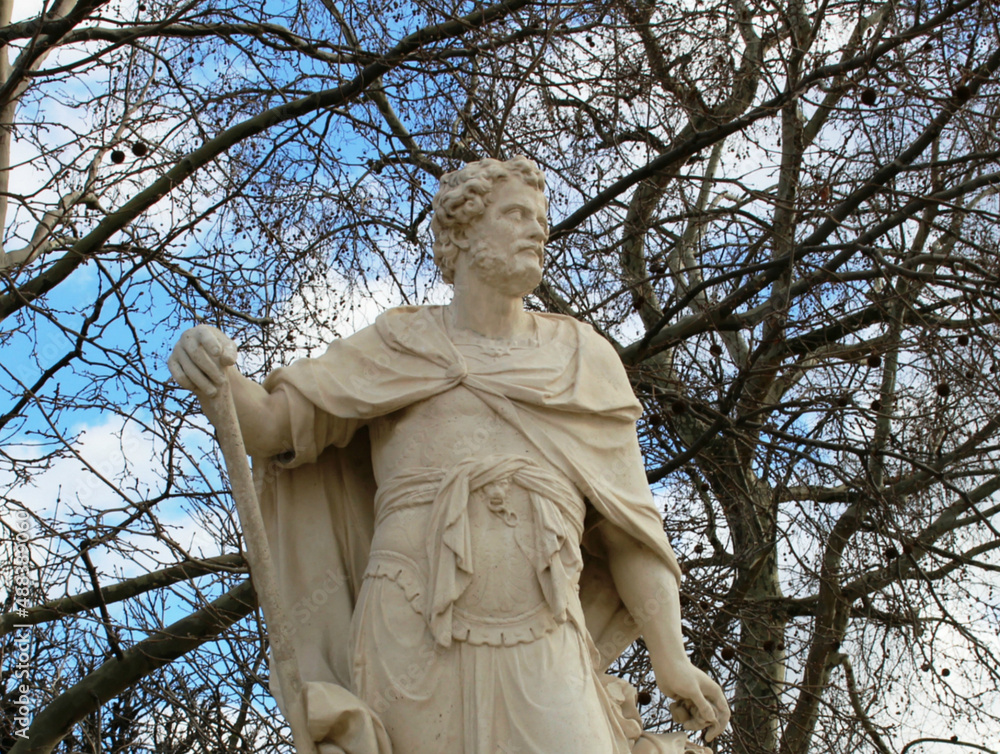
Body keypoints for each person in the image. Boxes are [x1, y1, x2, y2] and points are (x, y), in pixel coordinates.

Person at [169, 156, 730, 754]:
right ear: (461, 233)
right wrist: (215, 371)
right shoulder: (400, 344)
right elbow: (269, 427)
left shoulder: (581, 360)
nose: (537, 231)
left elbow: (630, 530)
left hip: (546, 627)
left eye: (542, 221)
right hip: (409, 622)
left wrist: (671, 658)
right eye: (516, 215)